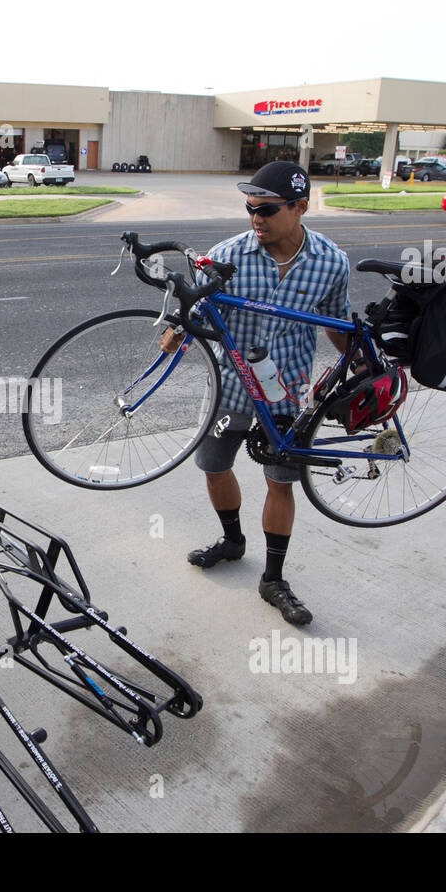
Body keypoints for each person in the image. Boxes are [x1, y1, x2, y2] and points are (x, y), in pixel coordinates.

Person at [160, 161, 350, 626]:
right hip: (229, 385)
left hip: (287, 391)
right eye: (250, 209)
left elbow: (337, 322)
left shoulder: (331, 263)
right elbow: (196, 308)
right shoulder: (228, 255)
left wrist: (360, 361)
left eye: (267, 210)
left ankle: (273, 579)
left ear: (301, 207)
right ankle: (232, 541)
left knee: (281, 480)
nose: (256, 219)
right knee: (214, 466)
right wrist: (175, 329)